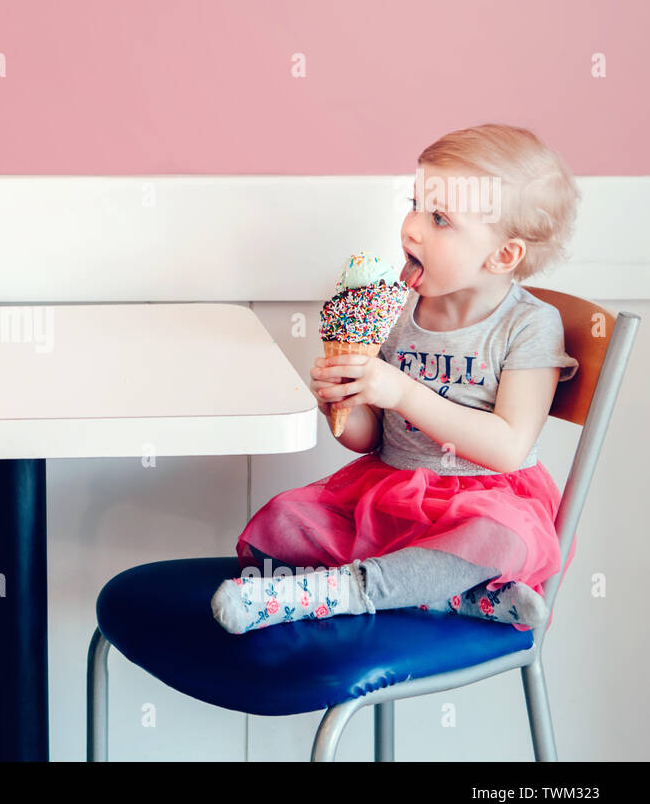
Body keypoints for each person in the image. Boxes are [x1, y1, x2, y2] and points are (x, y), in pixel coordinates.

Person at [211, 123, 581, 635]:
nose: (411, 228)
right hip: (390, 491)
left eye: (440, 218)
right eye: (415, 204)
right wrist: (344, 404)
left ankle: (340, 592)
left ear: (503, 255)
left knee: (499, 537)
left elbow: (508, 446)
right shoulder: (398, 310)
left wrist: (403, 390)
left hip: (482, 497)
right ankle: (456, 598)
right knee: (284, 522)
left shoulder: (529, 325)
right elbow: (369, 441)